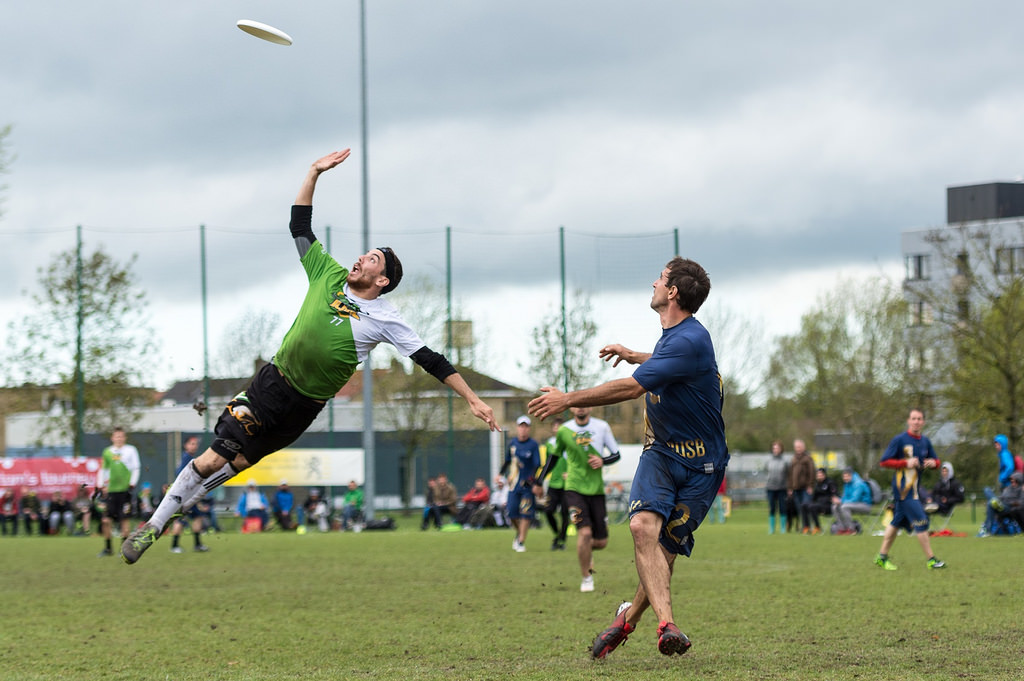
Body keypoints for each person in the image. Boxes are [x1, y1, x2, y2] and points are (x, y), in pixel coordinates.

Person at [121, 149, 498, 563]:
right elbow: (299, 226)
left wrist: (473, 399)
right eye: (364, 254)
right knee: (215, 457)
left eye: (371, 259)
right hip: (271, 384)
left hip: (303, 408)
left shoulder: (387, 318)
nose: (361, 258)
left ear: (382, 280)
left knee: (238, 462)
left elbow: (432, 360)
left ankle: (168, 515)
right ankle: (153, 526)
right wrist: (314, 172)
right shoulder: (328, 273)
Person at [529, 256, 728, 658]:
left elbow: (632, 389)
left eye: (660, 279)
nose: (653, 283)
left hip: (703, 467)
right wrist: (636, 354)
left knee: (665, 549)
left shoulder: (690, 338)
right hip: (661, 453)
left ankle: (626, 620)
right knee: (641, 528)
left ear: (672, 292)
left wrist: (567, 399)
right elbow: (665, 364)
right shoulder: (674, 338)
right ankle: (667, 625)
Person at [533, 406, 621, 591]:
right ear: (572, 407)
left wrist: (602, 460)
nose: (581, 407)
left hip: (596, 490)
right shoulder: (565, 430)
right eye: (577, 403)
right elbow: (553, 458)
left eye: (585, 402)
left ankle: (585, 549)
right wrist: (539, 481)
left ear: (591, 406)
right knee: (585, 533)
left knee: (601, 542)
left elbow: (616, 454)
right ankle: (586, 578)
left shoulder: (602, 426)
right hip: (573, 488)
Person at [873, 408, 946, 570]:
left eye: (919, 419)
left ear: (923, 422)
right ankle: (931, 560)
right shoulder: (899, 440)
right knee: (922, 520)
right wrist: (905, 463)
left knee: (896, 522)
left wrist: (934, 464)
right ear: (908, 421)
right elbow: (884, 461)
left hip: (914, 488)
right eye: (913, 418)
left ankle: (881, 557)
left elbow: (936, 461)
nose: (916, 422)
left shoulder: (925, 441)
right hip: (903, 489)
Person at [97, 427, 141, 557]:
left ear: (125, 438)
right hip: (111, 491)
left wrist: (132, 483)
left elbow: (136, 468)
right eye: (117, 436)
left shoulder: (131, 450)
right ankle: (108, 548)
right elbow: (104, 469)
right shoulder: (107, 452)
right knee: (106, 520)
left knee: (124, 520)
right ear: (112, 438)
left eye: (121, 436)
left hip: (124, 491)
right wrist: (101, 485)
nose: (119, 438)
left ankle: (123, 549)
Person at [501, 415, 541, 551]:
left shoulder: (533, 445)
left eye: (526, 426)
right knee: (511, 513)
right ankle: (519, 534)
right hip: (513, 485)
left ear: (529, 429)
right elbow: (507, 461)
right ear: (517, 428)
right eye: (521, 426)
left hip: (527, 486)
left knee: (525, 513)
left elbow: (537, 465)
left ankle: (521, 541)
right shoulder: (513, 443)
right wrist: (500, 474)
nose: (523, 429)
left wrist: (534, 482)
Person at [169, 436, 210, 553]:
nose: (194, 446)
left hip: (191, 494)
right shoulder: (186, 458)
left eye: (195, 444)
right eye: (192, 444)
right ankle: (174, 546)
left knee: (197, 517)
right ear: (185, 445)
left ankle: (197, 545)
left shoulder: (190, 458)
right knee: (181, 520)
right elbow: (180, 474)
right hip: (185, 495)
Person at [540, 420, 570, 550]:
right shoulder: (550, 444)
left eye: (560, 426)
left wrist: (570, 473)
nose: (557, 429)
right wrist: (540, 480)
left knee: (565, 514)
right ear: (552, 429)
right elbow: (548, 464)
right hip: (553, 484)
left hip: (567, 485)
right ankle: (557, 534)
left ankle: (561, 541)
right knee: (548, 511)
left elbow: (575, 461)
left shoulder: (570, 443)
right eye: (555, 426)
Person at [832, 468, 873, 535]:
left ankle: (851, 529)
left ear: (851, 476)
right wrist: (838, 500)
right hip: (852, 505)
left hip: (865, 505)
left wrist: (841, 501)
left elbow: (854, 499)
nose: (845, 478)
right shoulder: (847, 484)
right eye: (844, 476)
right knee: (834, 507)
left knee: (844, 507)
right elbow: (845, 497)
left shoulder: (858, 484)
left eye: (847, 476)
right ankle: (841, 529)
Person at [787, 439, 814, 533]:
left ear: (803, 447)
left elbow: (812, 472)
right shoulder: (793, 459)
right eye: (796, 447)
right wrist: (790, 487)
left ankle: (809, 526)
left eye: (799, 447)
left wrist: (810, 485)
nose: (798, 449)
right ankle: (804, 527)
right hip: (795, 488)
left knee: (806, 506)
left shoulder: (808, 458)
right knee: (799, 509)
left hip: (805, 488)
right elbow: (790, 474)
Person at [800, 468, 837, 535]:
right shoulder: (817, 485)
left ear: (824, 475)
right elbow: (814, 498)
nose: (819, 476)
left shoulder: (830, 483)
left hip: (828, 506)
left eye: (820, 474)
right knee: (803, 505)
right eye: (818, 474)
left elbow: (834, 495)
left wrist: (834, 498)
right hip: (818, 505)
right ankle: (806, 527)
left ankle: (817, 527)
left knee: (812, 507)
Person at [765, 440, 789, 534]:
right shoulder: (768, 461)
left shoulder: (785, 461)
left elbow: (788, 474)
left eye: (777, 448)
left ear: (781, 449)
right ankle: (771, 528)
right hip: (770, 487)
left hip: (782, 488)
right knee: (772, 508)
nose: (776, 450)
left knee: (782, 508)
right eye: (774, 448)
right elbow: (765, 471)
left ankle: (783, 528)